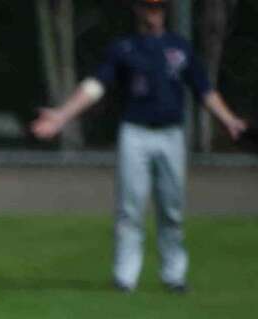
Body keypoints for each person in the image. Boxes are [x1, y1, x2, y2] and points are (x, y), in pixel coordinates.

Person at [31, 0, 248, 293]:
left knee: (172, 210)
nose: (154, 13)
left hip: (171, 135)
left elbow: (204, 89)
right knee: (130, 209)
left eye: (158, 7)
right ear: (138, 9)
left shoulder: (179, 48)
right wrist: (61, 115)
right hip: (135, 134)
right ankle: (125, 277)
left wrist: (229, 119)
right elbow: (96, 86)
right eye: (148, 7)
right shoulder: (124, 49)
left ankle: (174, 276)